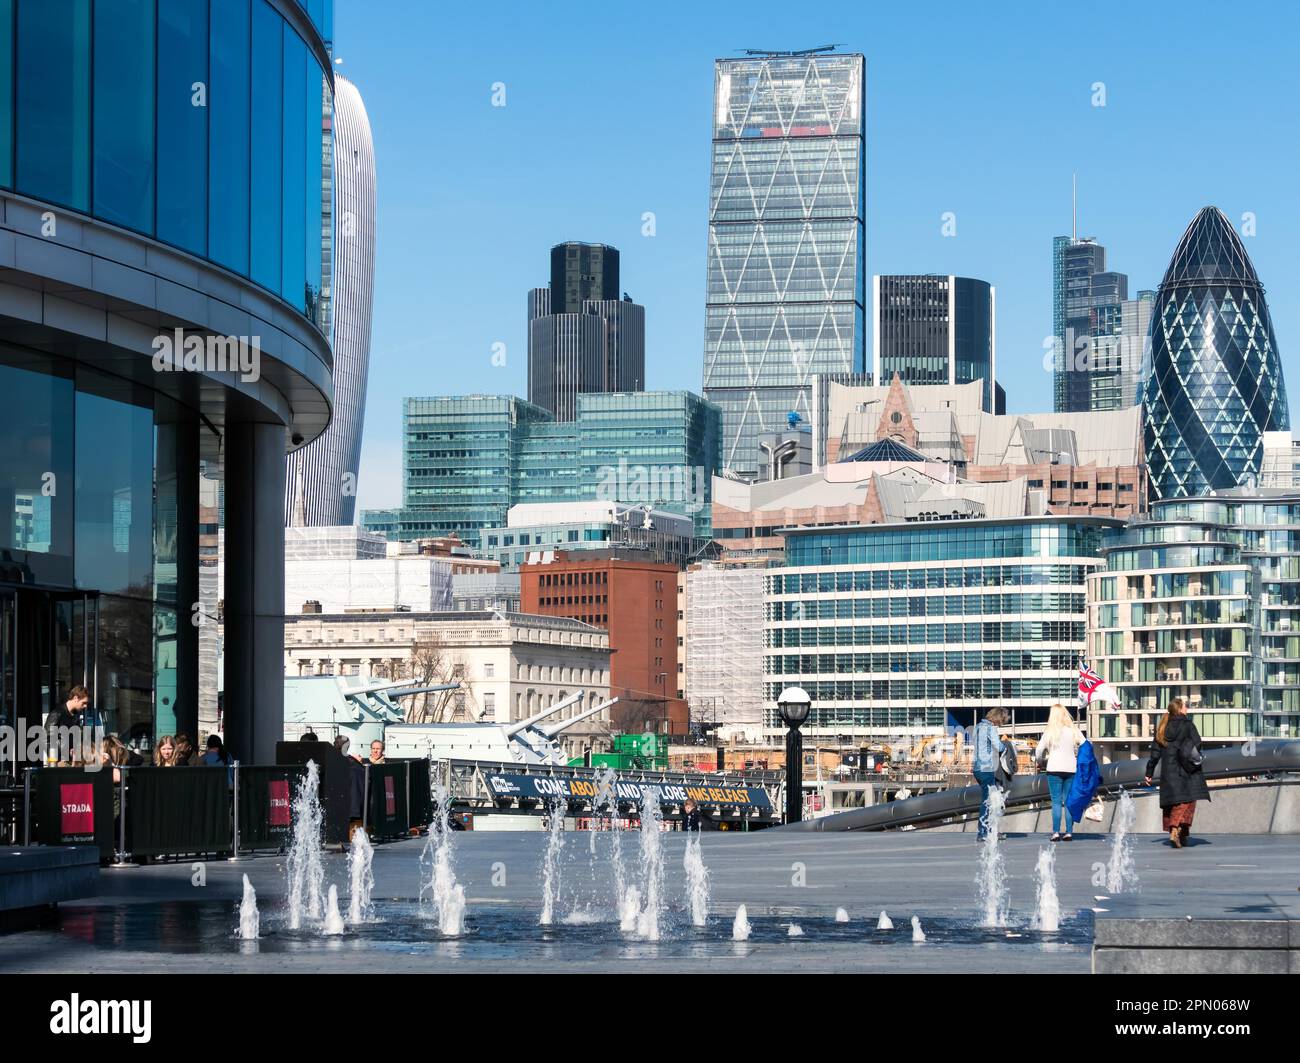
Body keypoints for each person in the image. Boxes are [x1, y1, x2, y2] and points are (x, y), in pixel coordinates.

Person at [1143, 697, 1209, 848]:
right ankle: (1175, 828)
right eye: (1185, 706)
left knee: (1172, 802)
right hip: (1186, 769)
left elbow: (1155, 753)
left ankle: (1182, 834)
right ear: (1179, 709)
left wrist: (1149, 772)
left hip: (1168, 771)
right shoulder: (1187, 724)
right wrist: (1188, 751)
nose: (1187, 709)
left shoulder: (1163, 726)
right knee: (1188, 800)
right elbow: (1197, 742)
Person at [1035, 702, 1084, 841]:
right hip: (1071, 769)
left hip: (1054, 768)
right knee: (1069, 801)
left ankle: (1056, 832)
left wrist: (1041, 761)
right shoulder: (1073, 730)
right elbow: (1086, 743)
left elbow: (1039, 751)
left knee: (1056, 802)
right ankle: (1069, 832)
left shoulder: (1049, 731)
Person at [972, 708, 1008, 839]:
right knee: (989, 801)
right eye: (1001, 722)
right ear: (997, 719)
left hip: (976, 769)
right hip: (986, 768)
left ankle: (989, 830)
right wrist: (1006, 745)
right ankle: (984, 832)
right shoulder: (990, 728)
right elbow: (998, 746)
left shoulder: (977, 727)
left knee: (989, 800)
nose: (1000, 725)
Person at [44, 685, 91, 763]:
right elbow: (47, 740)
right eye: (84, 703)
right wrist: (55, 761)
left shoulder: (75, 715)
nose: (85, 706)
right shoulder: (57, 714)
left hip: (71, 759)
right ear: (75, 698)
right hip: (60, 761)